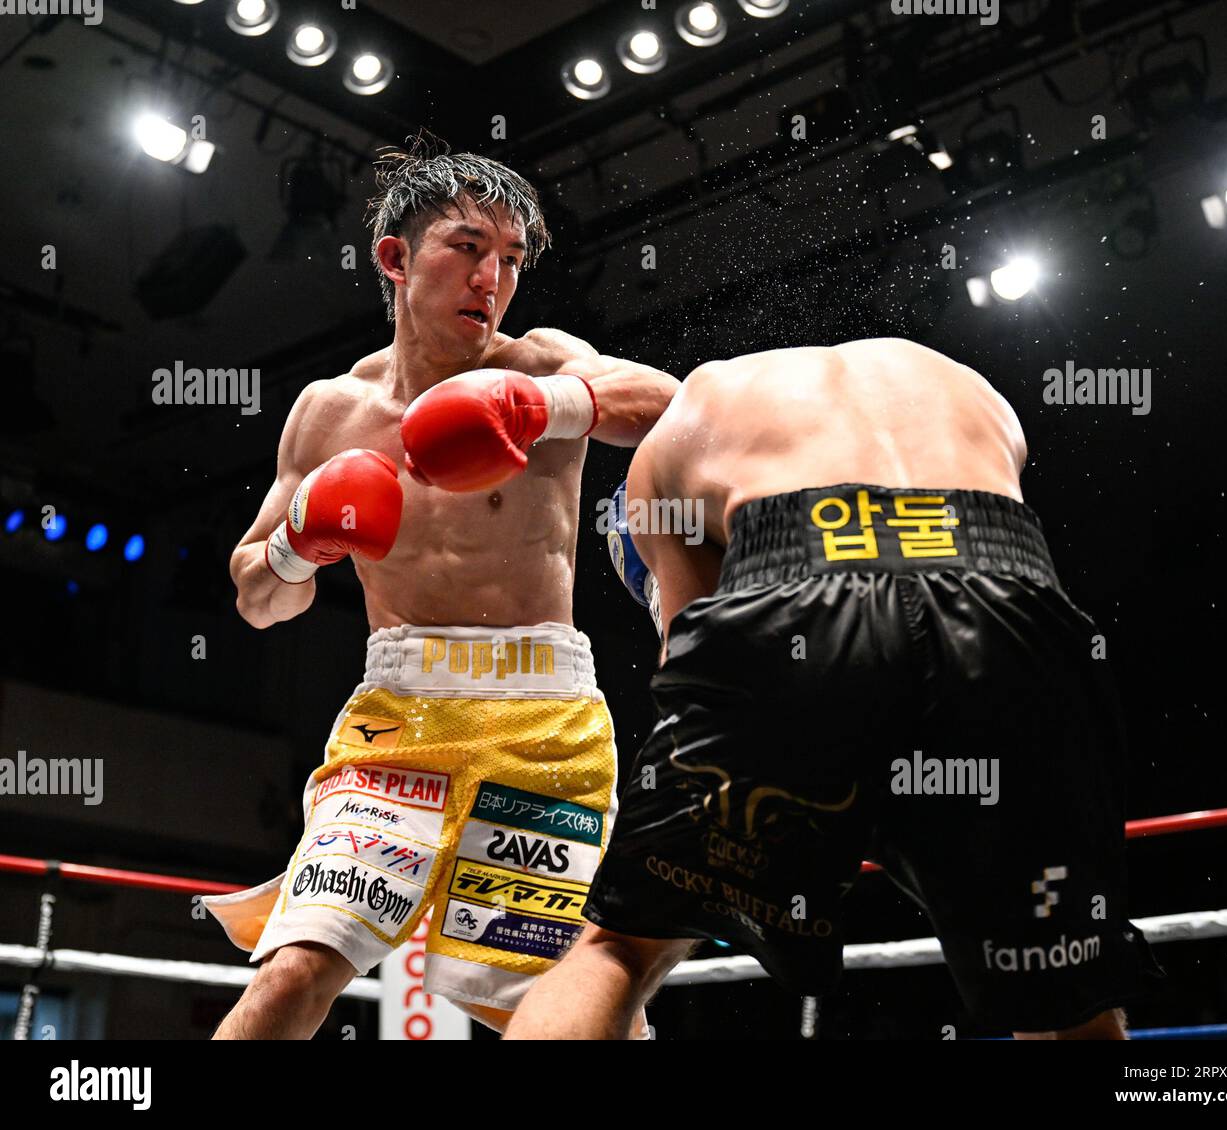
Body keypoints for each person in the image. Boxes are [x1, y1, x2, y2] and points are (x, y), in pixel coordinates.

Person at [506, 337, 1163, 1040]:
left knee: (621, 947)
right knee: (1067, 994)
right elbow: (946, 579)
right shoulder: (957, 378)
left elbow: (688, 664)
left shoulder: (667, 448)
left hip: (794, 579)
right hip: (1005, 590)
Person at [203, 142, 679, 1038]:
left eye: (509, 259)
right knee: (292, 972)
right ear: (395, 258)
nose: (490, 278)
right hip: (396, 720)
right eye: (468, 247)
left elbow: (669, 405)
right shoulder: (330, 412)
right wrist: (301, 546)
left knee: (540, 1007)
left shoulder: (541, 364)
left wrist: (545, 406)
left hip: (541, 722)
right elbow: (258, 599)